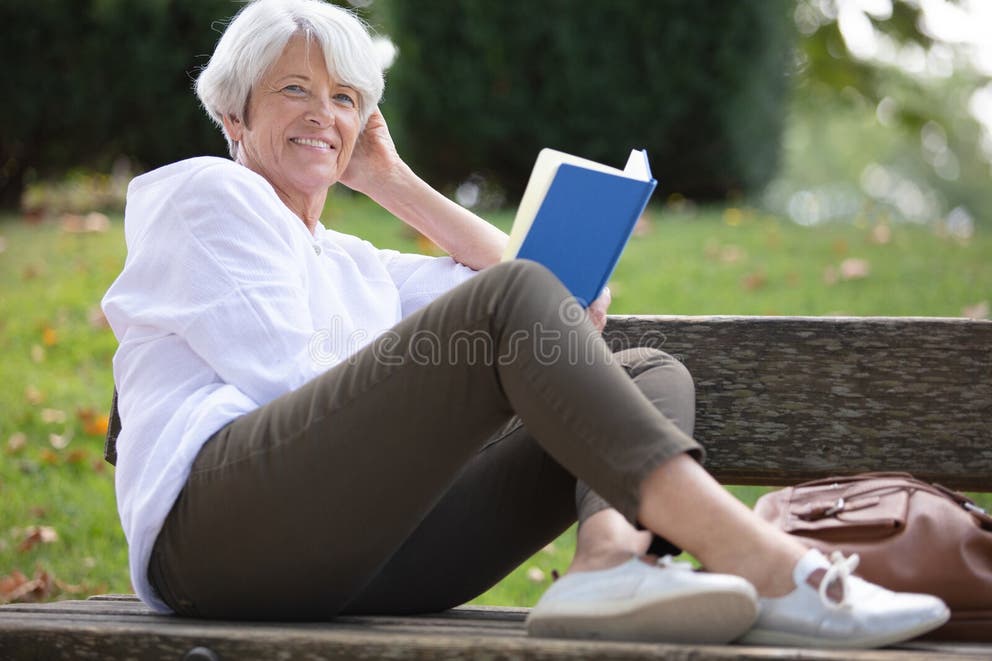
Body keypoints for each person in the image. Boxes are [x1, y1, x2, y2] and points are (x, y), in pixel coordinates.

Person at [101, 0, 949, 648]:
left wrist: (390, 181)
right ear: (234, 116)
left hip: (352, 557)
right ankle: (774, 569)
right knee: (518, 303)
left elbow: (526, 283)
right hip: (220, 537)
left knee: (652, 371)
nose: (324, 112)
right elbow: (291, 381)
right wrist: (480, 368)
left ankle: (610, 562)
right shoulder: (207, 195)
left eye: (346, 97)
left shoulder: (353, 262)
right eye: (295, 89)